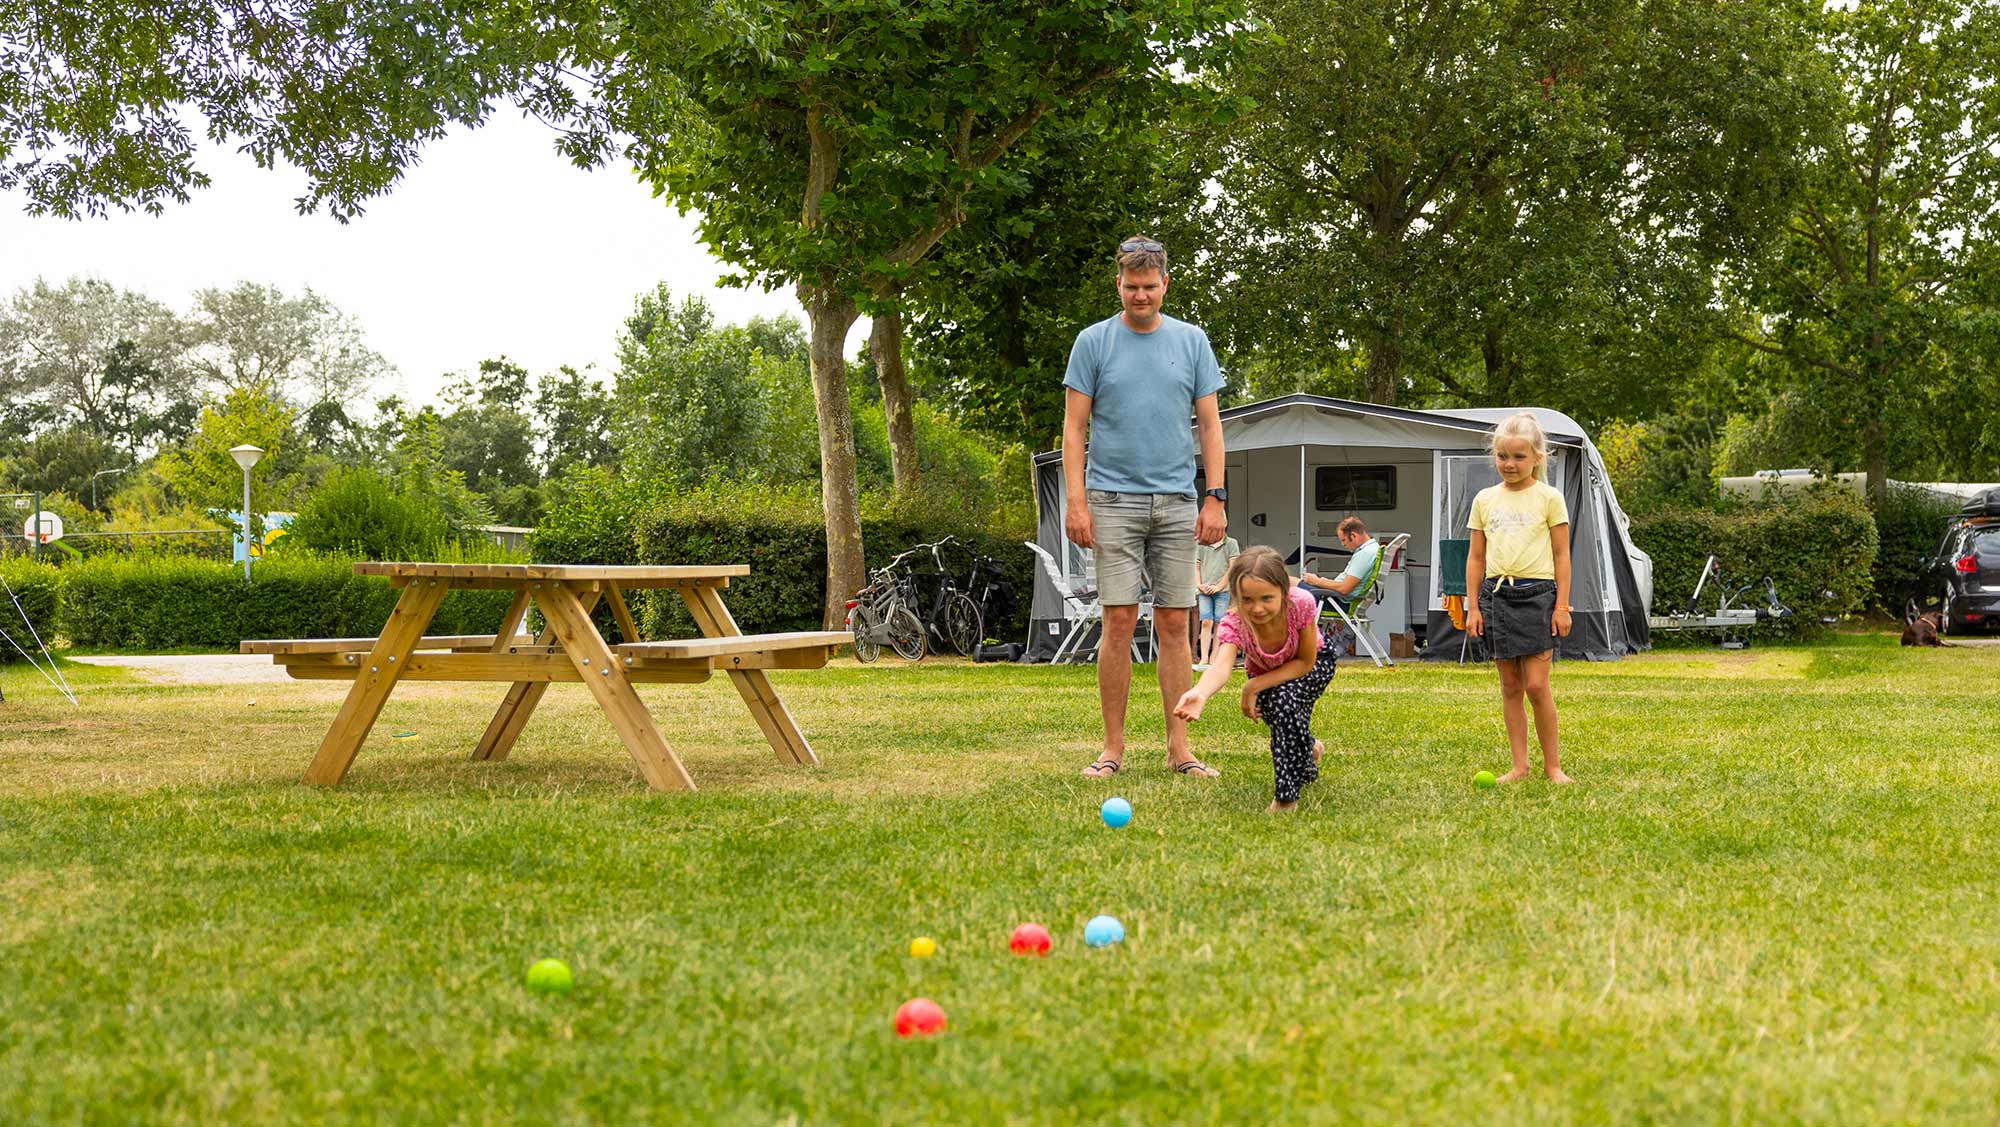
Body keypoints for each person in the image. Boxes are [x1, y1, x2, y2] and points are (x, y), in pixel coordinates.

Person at [1063, 234, 1228, 779]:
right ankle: (1112, 749)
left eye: (1149, 287)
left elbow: (1210, 425)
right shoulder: (1093, 342)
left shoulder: (1192, 341)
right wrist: (1077, 501)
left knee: (1176, 625)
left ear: (1165, 284)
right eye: (1131, 287)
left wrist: (1215, 497)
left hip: (1180, 503)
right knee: (1117, 622)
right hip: (1111, 501)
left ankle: (1180, 750)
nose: (1140, 296)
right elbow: (1074, 427)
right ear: (1119, 284)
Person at [1172, 546, 1336, 813]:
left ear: (1284, 592)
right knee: (1283, 719)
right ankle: (1308, 748)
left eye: (1266, 598)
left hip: (1314, 663)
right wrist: (1200, 692)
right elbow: (1221, 666)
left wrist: (1252, 686)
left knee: (1285, 702)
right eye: (1247, 600)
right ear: (1236, 597)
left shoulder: (1301, 603)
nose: (1257, 608)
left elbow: (1305, 662)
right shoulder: (1235, 622)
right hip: (1264, 672)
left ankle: (1286, 799)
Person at [1465, 412, 1574, 784]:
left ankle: (1553, 766)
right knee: (1510, 686)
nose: (1509, 465)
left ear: (1537, 458)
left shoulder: (1549, 498)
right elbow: (1476, 557)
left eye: (1518, 457)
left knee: (1537, 686)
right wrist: (1472, 606)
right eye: (1502, 457)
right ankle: (1519, 766)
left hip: (1540, 596)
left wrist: (1561, 606)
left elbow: (1562, 555)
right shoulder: (1484, 499)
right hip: (1496, 597)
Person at [1298, 516, 1379, 652]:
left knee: (1288, 585)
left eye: (1344, 540)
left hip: (1336, 601)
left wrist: (1317, 581)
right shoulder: (1373, 549)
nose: (1343, 545)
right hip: (1336, 597)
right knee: (1291, 582)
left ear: (1353, 535)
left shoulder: (1364, 554)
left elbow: (1345, 588)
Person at [1193, 530, 1240, 670]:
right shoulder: (1201, 544)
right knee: (1206, 621)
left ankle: (1215, 655)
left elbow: (1232, 568)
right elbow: (1196, 567)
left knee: (1219, 623)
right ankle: (1204, 657)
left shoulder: (1231, 543)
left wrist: (1219, 586)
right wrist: (1199, 585)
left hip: (1222, 591)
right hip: (1204, 589)